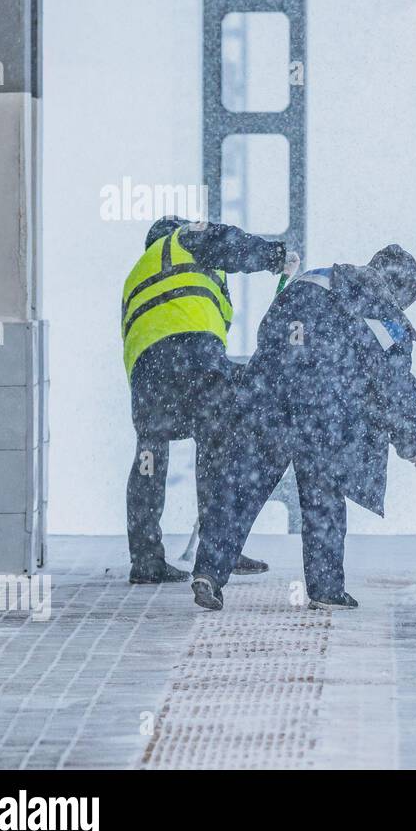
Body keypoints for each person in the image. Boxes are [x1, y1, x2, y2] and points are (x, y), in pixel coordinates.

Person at [191, 244, 416, 611]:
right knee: (323, 500)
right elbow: (394, 387)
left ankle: (208, 572)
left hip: (269, 395)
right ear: (401, 289)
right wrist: (411, 441)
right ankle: (326, 590)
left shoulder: (316, 278)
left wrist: (276, 375)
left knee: (242, 488)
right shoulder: (387, 317)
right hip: (325, 417)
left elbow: (270, 328)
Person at [121, 215, 298, 583]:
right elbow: (227, 242)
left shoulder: (138, 274)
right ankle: (219, 550)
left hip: (147, 375)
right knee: (217, 441)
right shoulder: (182, 240)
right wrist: (274, 256)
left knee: (150, 457)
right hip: (193, 355)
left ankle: (146, 560)